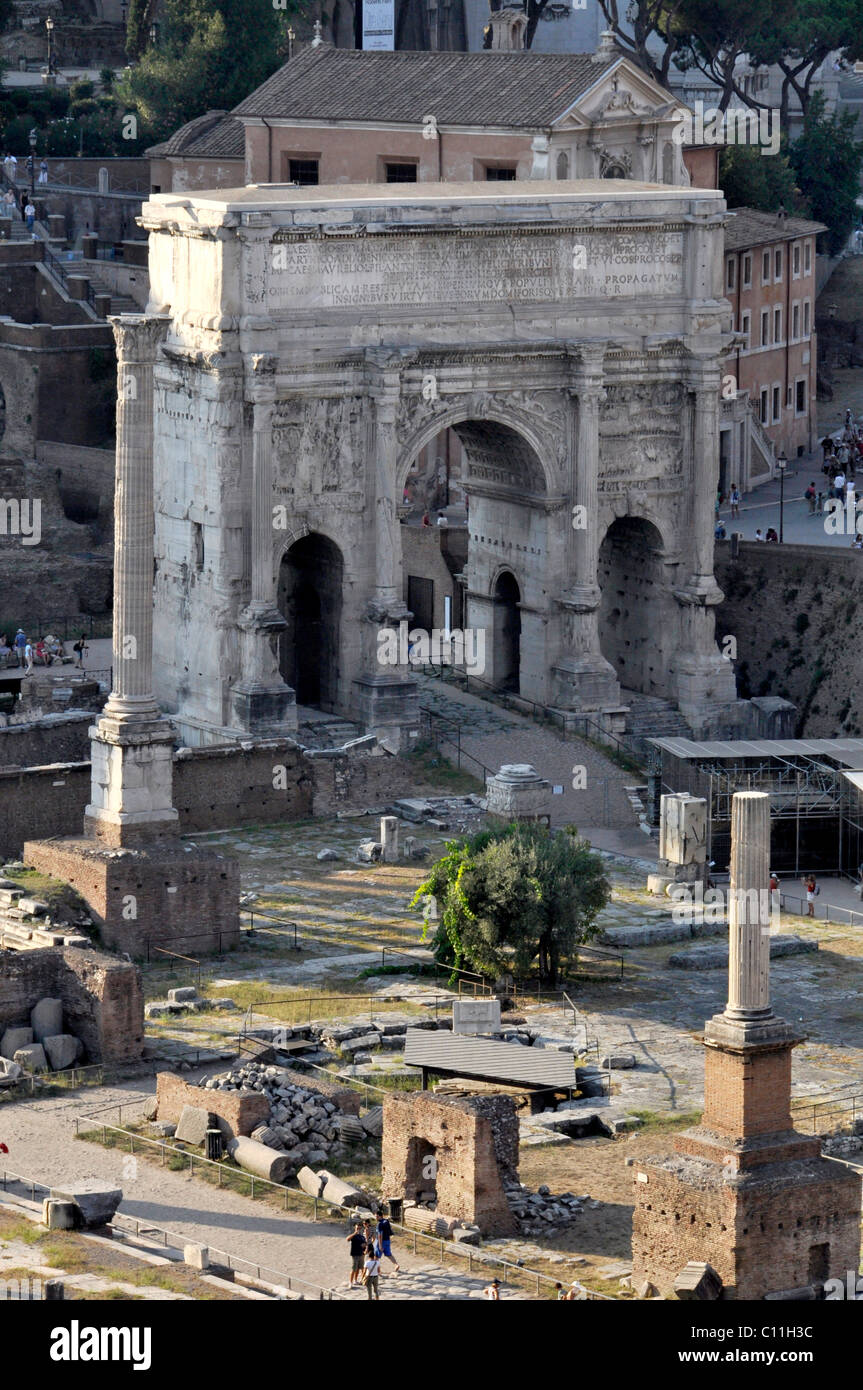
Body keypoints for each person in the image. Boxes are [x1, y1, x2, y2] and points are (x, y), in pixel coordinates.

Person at [346, 1222, 366, 1288]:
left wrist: (364, 1246)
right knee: (353, 1269)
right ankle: (350, 1282)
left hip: (361, 1254)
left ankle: (355, 1280)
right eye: (357, 1228)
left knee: (359, 1268)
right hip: (355, 1255)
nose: (358, 1229)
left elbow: (365, 1244)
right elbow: (347, 1239)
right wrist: (355, 1233)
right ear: (355, 1228)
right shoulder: (353, 1236)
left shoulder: (362, 1236)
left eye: (360, 1228)